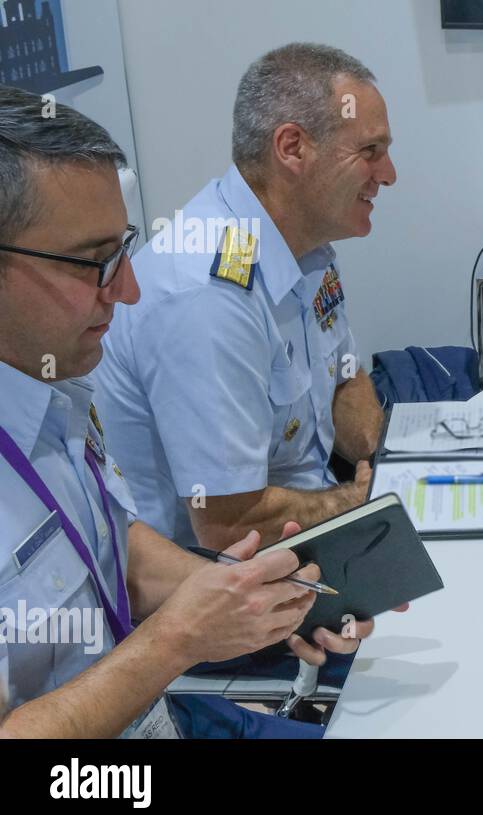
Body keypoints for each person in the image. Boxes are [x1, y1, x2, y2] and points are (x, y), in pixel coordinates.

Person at [0, 85, 373, 738]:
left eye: (123, 250)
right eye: (94, 263)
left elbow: (113, 549)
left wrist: (263, 601)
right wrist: (178, 639)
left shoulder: (48, 384)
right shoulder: (199, 300)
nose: (129, 288)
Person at [94, 43, 394, 551]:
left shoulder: (308, 244)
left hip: (302, 525)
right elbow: (227, 521)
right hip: (215, 580)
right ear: (292, 148)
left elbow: (344, 376)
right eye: (370, 151)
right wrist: (361, 500)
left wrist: (389, 459)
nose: (388, 174)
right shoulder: (206, 294)